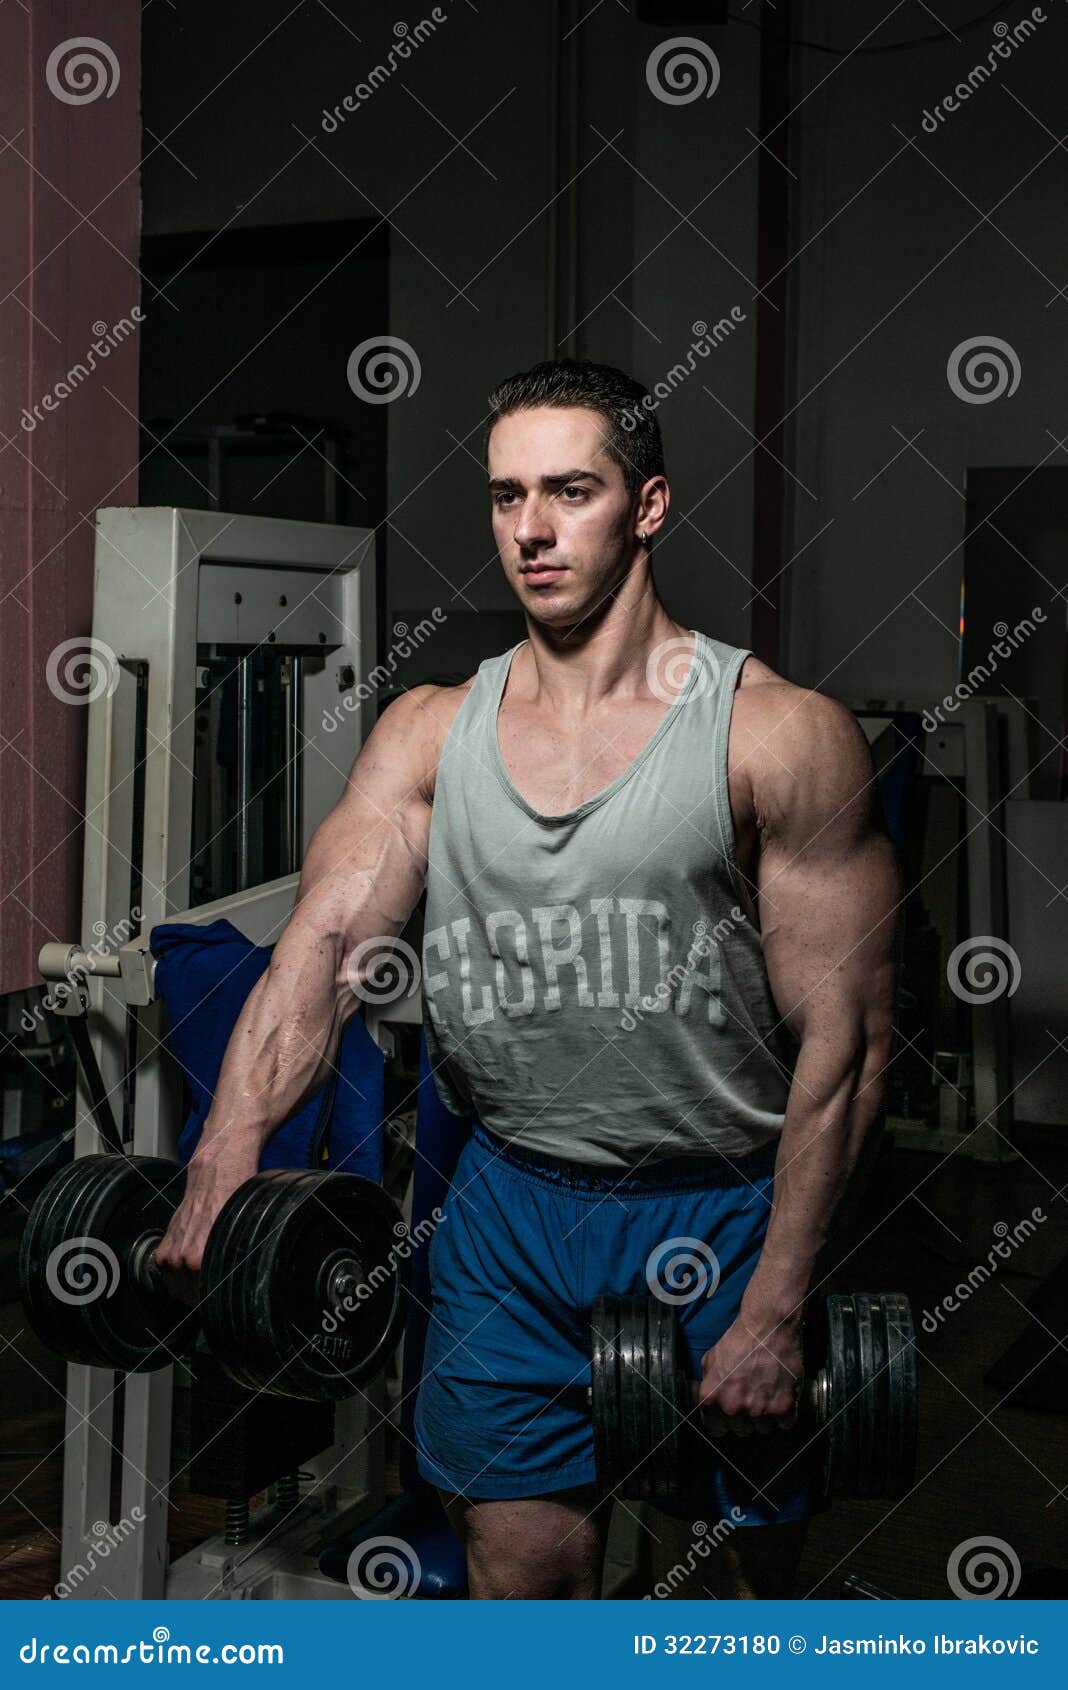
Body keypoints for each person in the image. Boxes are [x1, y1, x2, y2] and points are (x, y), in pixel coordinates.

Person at [156, 359, 899, 1600]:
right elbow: (319, 954)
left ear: (647, 506)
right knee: (523, 1596)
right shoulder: (430, 729)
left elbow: (851, 1046)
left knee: (733, 1604)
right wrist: (223, 1157)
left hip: (720, 1210)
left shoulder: (776, 734)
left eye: (571, 491)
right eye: (508, 496)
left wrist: (778, 1300)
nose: (533, 529)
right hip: (507, 1212)